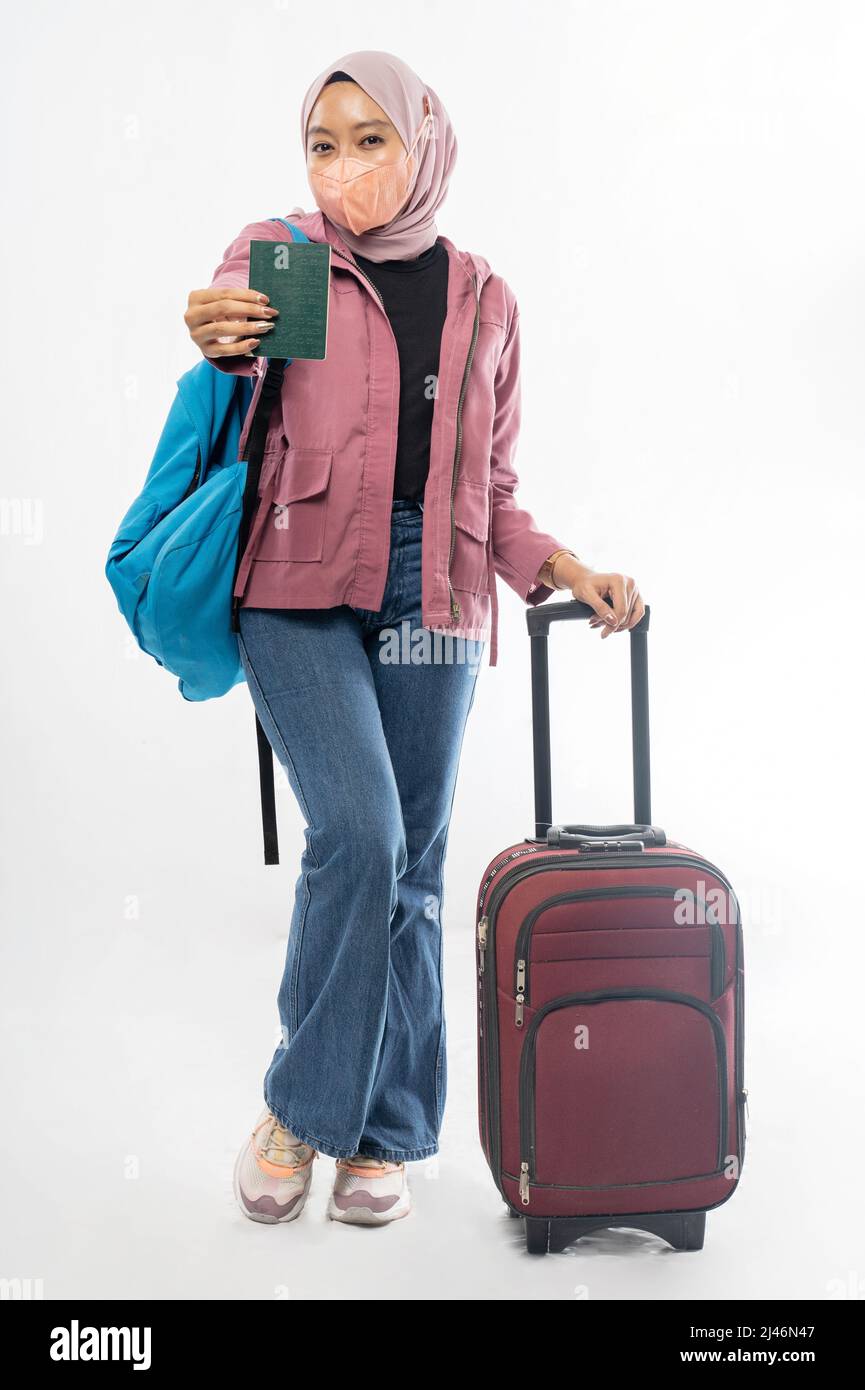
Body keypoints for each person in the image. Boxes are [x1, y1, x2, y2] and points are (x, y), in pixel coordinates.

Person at [184, 49, 644, 1228]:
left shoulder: (486, 298)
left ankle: (384, 1130)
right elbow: (231, 348)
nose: (342, 170)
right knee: (361, 829)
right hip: (291, 583)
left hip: (429, 591)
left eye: (369, 140)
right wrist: (212, 328)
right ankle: (300, 1107)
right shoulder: (282, 255)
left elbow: (489, 487)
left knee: (416, 867)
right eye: (322, 143)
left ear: (424, 142)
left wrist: (565, 567)